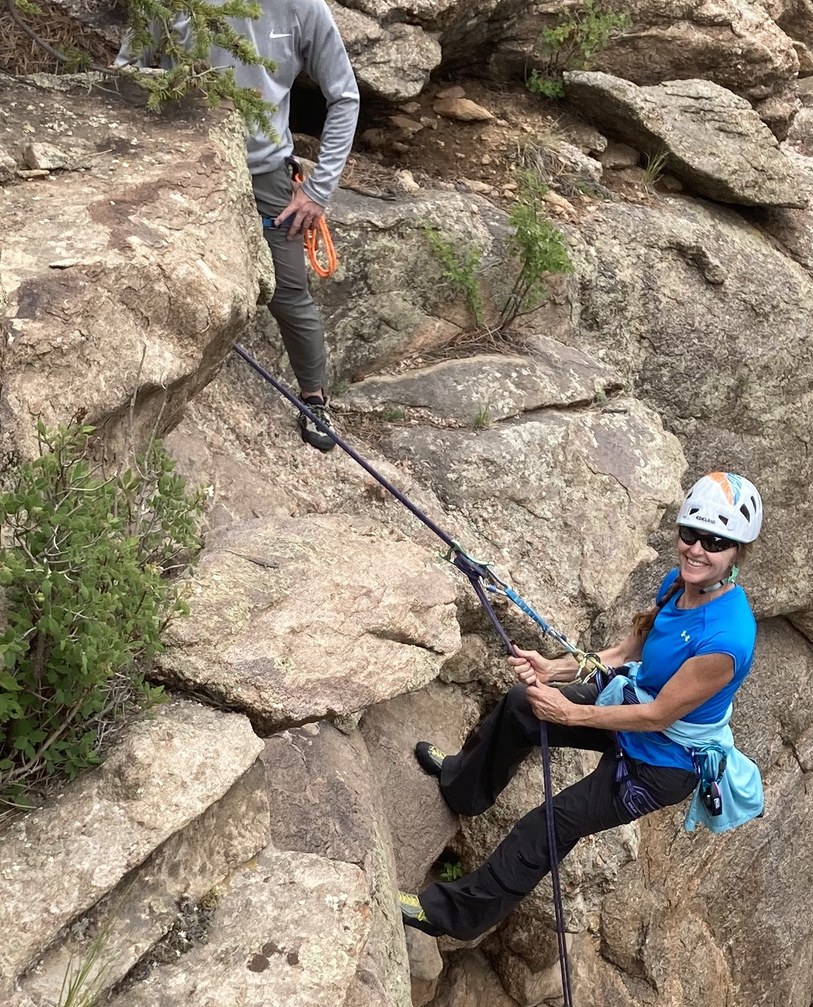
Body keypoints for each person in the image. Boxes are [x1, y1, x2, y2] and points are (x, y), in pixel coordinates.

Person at [399, 473, 766, 941]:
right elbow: (625, 653)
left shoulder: (728, 639)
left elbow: (659, 718)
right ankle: (462, 788)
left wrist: (568, 713)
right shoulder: (679, 584)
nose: (696, 549)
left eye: (715, 541)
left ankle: (450, 916)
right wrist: (555, 670)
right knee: (521, 704)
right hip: (633, 705)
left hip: (665, 761)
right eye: (690, 534)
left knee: (551, 822)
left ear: (737, 553)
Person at [120, 0, 360, 451]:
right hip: (185, 162)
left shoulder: (302, 8)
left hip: (263, 169)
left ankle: (314, 397)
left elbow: (345, 95)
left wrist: (318, 190)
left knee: (288, 292)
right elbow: (128, 69)